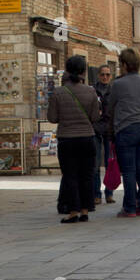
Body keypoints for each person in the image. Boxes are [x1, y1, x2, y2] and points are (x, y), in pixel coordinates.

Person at [46, 55, 100, 223]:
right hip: (87, 138)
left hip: (67, 139)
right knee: (86, 175)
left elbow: (52, 118)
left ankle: (73, 211)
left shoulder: (58, 92)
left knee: (70, 175)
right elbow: (95, 117)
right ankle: (85, 210)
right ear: (84, 71)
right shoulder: (91, 91)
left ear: (67, 71)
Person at [105, 47, 140, 218]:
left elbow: (110, 109)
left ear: (124, 64)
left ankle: (130, 207)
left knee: (129, 170)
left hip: (126, 130)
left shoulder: (118, 84)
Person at [93, 64, 115, 204]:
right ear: (98, 75)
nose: (105, 77)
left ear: (110, 76)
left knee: (110, 163)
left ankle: (109, 193)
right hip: (96, 128)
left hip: (110, 129)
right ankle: (96, 194)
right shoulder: (92, 90)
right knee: (95, 163)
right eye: (103, 74)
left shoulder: (114, 90)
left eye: (107, 75)